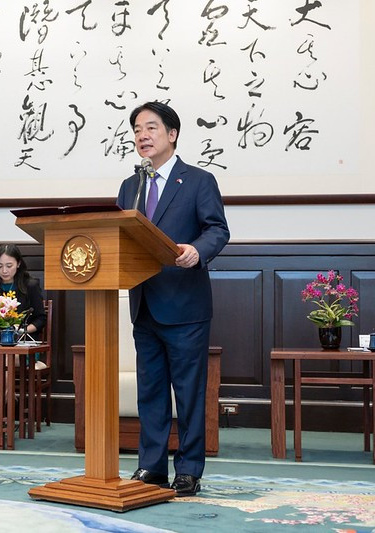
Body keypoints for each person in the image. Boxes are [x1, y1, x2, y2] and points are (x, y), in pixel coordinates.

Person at [115, 101, 229, 496]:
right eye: (136, 130)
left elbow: (217, 230)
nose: (141, 136)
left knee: (188, 393)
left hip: (184, 304)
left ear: (172, 134)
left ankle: (189, 470)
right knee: (150, 392)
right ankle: (151, 467)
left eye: (150, 128)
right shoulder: (131, 186)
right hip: (144, 303)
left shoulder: (198, 180)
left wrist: (198, 251)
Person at [0, 244, 47, 435]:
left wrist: (21, 330)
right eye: (0, 266)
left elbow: (41, 318)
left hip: (25, 347)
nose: (4, 271)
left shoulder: (30, 285)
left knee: (2, 358)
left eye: (9, 265)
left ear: (18, 264)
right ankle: (5, 404)